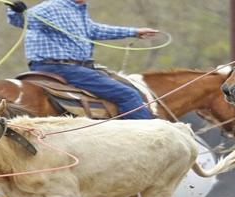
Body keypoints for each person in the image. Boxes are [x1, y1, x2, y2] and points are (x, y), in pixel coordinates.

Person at [8, 0, 160, 119]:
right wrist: (16, 11)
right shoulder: (52, 7)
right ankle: (152, 135)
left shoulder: (78, 10)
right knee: (128, 95)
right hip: (63, 68)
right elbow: (22, 20)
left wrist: (134, 32)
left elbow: (95, 30)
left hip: (72, 67)